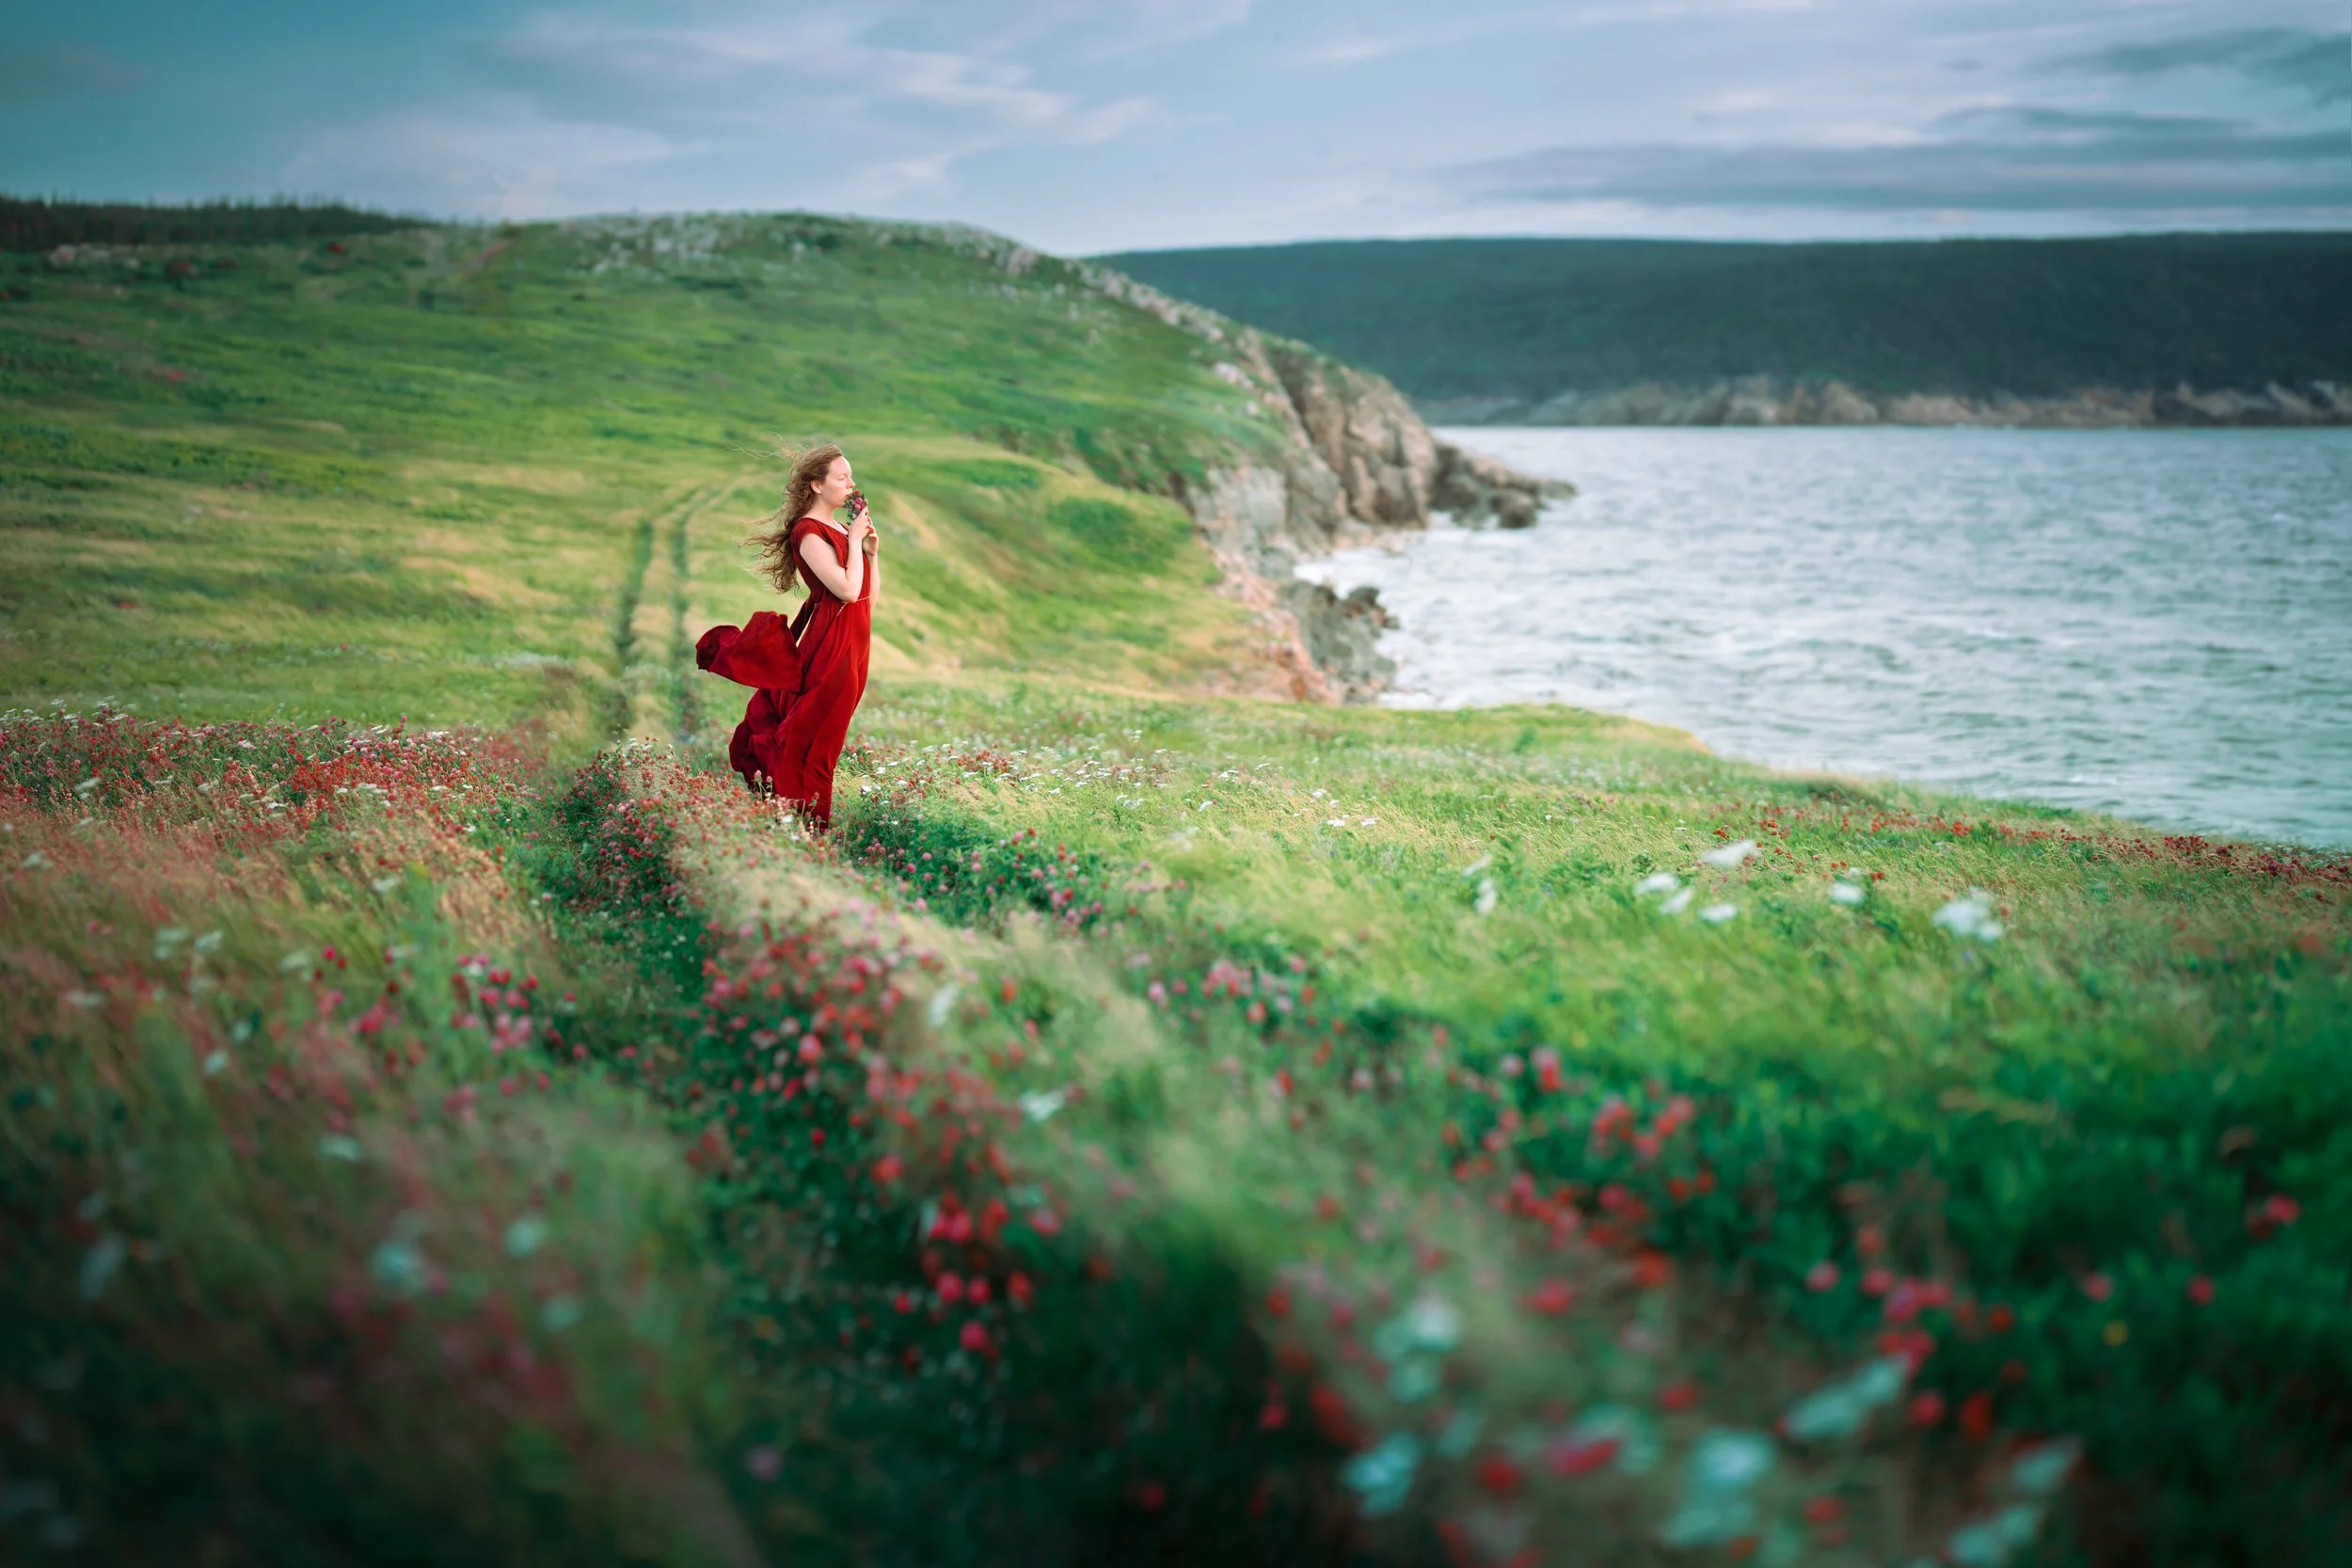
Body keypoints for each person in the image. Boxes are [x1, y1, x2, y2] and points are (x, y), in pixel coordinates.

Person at [695, 443, 878, 829]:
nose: (851, 484)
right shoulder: (808, 532)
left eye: (851, 476)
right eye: (842, 477)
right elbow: (845, 590)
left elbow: (866, 599)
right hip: (832, 645)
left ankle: (793, 824)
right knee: (815, 744)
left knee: (825, 740)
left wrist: (868, 552)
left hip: (856, 648)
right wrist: (855, 542)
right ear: (816, 485)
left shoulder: (842, 529)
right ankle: (806, 829)